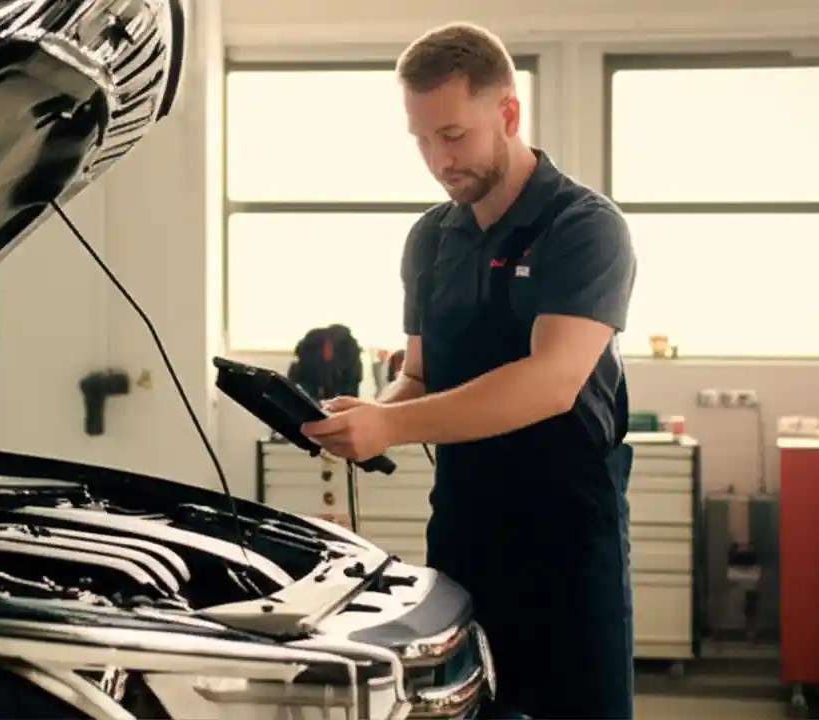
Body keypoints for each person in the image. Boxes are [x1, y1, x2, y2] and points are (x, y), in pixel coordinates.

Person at [300, 22, 638, 720]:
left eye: (451, 135)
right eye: (421, 140)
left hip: (568, 535)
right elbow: (419, 377)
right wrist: (363, 418)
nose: (436, 159)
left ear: (507, 114)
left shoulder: (583, 227)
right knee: (462, 706)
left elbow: (551, 382)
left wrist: (391, 423)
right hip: (463, 525)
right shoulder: (430, 238)